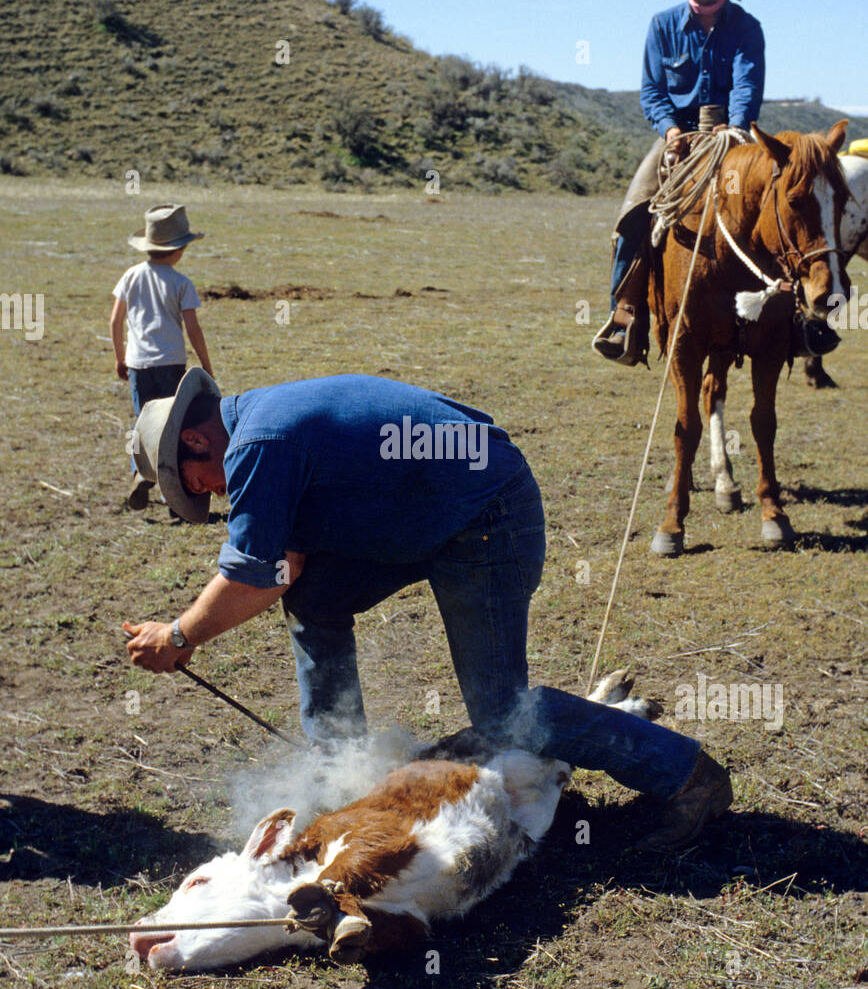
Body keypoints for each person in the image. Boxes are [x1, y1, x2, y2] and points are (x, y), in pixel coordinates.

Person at [122, 369, 733, 850]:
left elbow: (252, 575)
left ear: (198, 440)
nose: (213, 494)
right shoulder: (264, 425)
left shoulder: (258, 444)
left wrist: (179, 634)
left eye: (198, 483)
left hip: (486, 519)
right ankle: (342, 768)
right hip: (440, 514)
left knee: (500, 712)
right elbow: (287, 569)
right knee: (316, 600)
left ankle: (686, 775)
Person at [592, 0, 765, 364]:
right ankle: (626, 313)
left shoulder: (747, 27)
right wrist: (670, 133)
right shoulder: (661, 26)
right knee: (635, 211)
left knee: (780, 204)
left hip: (731, 133)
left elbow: (747, 84)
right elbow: (652, 92)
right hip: (679, 134)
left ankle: (794, 320)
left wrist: (737, 129)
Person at [110, 203, 215, 510]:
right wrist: (206, 365)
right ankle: (173, 490)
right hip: (172, 362)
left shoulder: (131, 275)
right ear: (180, 249)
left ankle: (139, 474)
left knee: (142, 420)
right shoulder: (181, 283)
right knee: (172, 424)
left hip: (139, 362)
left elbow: (115, 320)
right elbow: (194, 329)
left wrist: (120, 357)